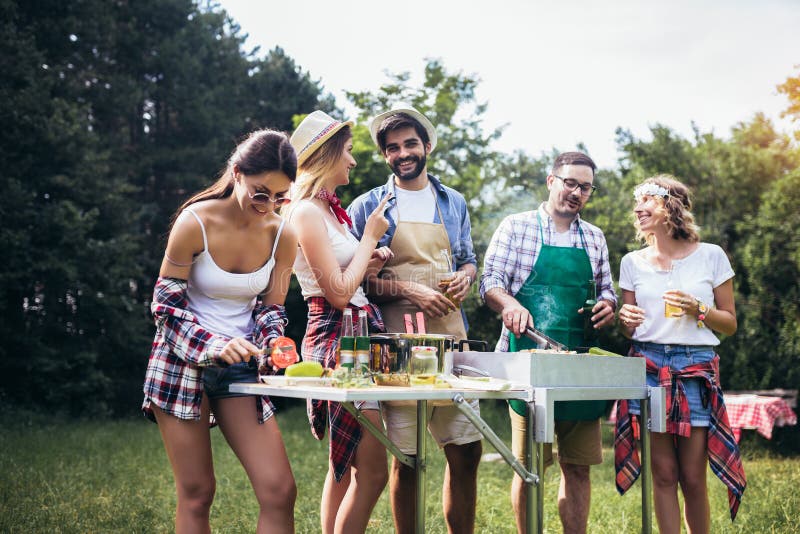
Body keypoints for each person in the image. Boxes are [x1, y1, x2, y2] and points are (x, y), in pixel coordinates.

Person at [142, 129, 299, 533]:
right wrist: (213, 345)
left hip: (240, 368)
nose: (268, 206)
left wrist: (273, 342)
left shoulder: (283, 234)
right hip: (181, 365)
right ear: (237, 173)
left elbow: (271, 309)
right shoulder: (195, 222)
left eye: (280, 197)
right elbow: (166, 307)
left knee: (279, 491)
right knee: (197, 493)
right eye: (260, 193)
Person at [348, 104, 482, 534]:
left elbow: (468, 259)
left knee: (467, 451)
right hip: (396, 348)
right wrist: (409, 289)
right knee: (407, 459)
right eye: (393, 148)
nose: (402, 153)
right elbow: (354, 282)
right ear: (384, 155)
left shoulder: (452, 201)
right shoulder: (368, 206)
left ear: (426, 146)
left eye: (410, 144)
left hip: (452, 341)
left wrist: (465, 277)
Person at [481, 151, 617, 534]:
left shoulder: (594, 237)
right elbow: (489, 281)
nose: (576, 192)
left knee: (578, 466)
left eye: (585, 187)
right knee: (529, 468)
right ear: (551, 181)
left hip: (578, 367)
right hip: (526, 363)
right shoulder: (516, 226)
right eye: (570, 183)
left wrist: (608, 305)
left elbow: (607, 289)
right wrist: (509, 304)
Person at [615, 175, 746, 533]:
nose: (638, 209)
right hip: (648, 366)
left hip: (694, 367)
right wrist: (624, 321)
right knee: (663, 473)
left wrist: (698, 309)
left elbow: (730, 323)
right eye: (637, 202)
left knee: (691, 476)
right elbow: (629, 330)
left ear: (670, 206)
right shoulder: (632, 262)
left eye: (646, 201)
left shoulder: (711, 256)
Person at [286, 110, 393, 534]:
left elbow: (347, 277)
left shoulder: (331, 213)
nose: (353, 160)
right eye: (347, 151)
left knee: (345, 467)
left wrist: (369, 258)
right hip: (336, 335)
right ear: (326, 155)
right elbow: (337, 293)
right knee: (374, 473)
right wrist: (370, 238)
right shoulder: (306, 213)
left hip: (356, 332)